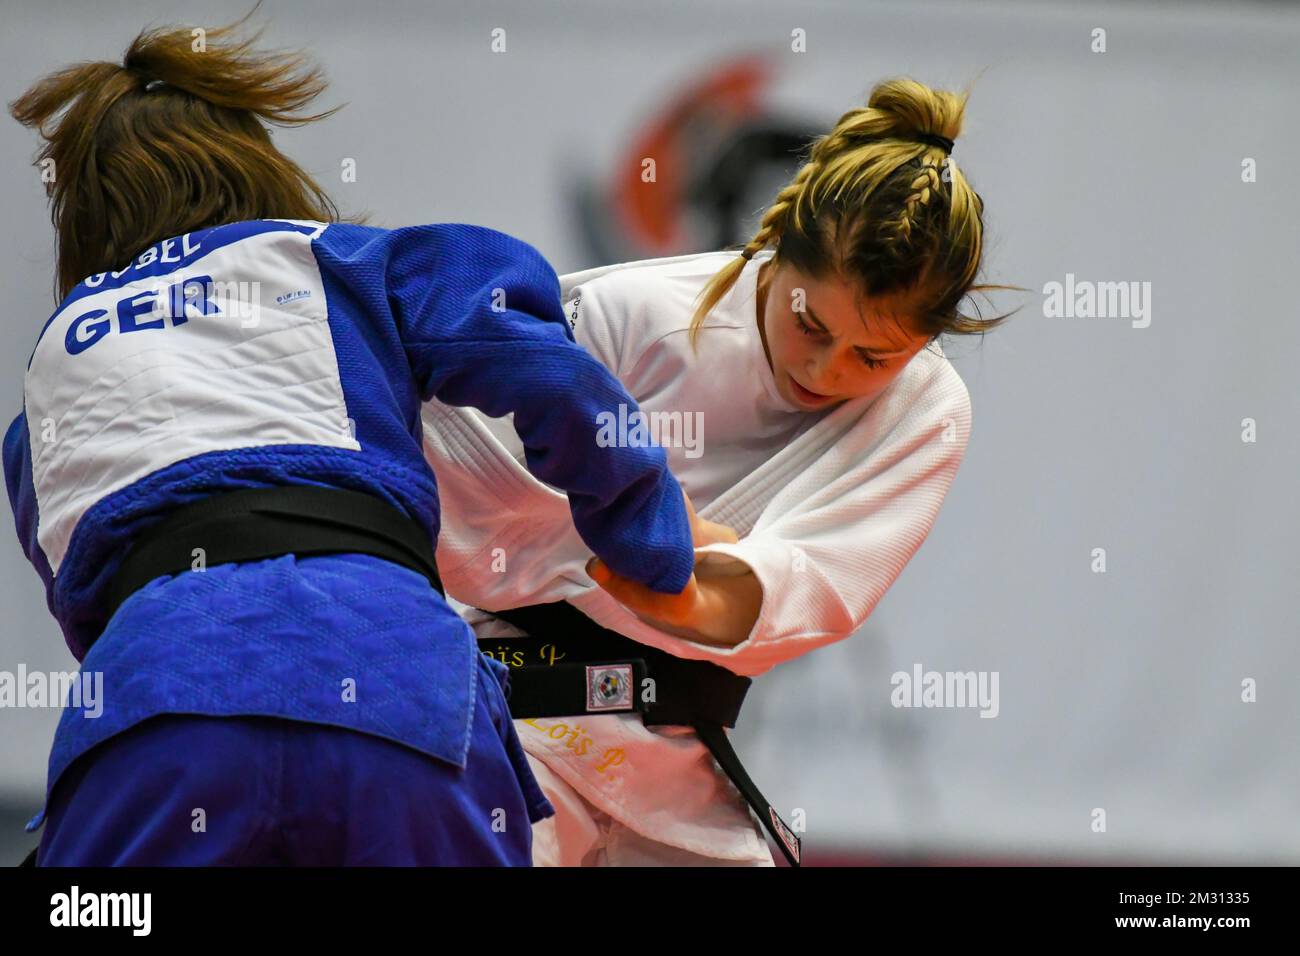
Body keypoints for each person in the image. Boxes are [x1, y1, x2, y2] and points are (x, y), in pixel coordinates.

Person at [3, 16, 701, 866]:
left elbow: (89, 608)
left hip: (156, 717)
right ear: (259, 170)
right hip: (394, 690)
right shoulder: (338, 262)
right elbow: (555, 377)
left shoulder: (42, 391)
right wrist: (651, 544)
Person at [423, 77, 1017, 865]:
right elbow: (454, 477)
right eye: (811, 322)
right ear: (775, 246)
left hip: (680, 761)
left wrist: (683, 573)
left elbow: (810, 583)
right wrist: (639, 535)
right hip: (514, 713)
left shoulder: (926, 407)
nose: (829, 367)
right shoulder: (631, 313)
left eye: (873, 356)